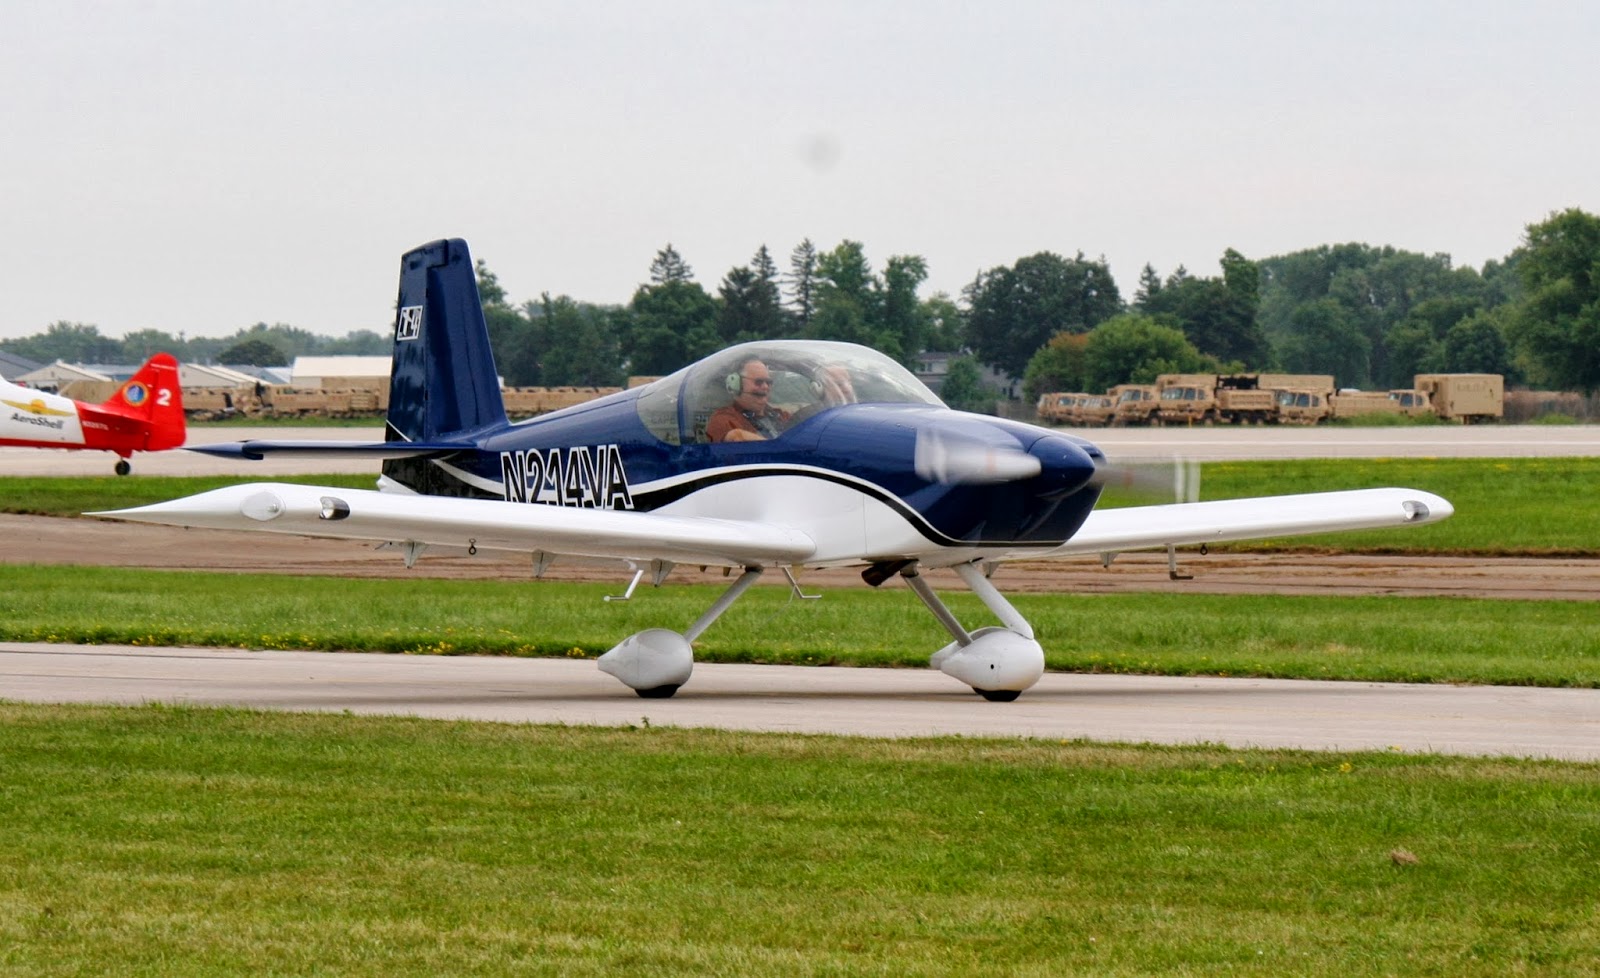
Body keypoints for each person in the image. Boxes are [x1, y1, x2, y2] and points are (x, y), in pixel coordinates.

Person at [707, 358, 791, 442]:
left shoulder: (780, 415)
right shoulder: (724, 419)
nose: (765, 387)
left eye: (768, 382)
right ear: (736, 384)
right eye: (759, 382)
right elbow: (736, 436)